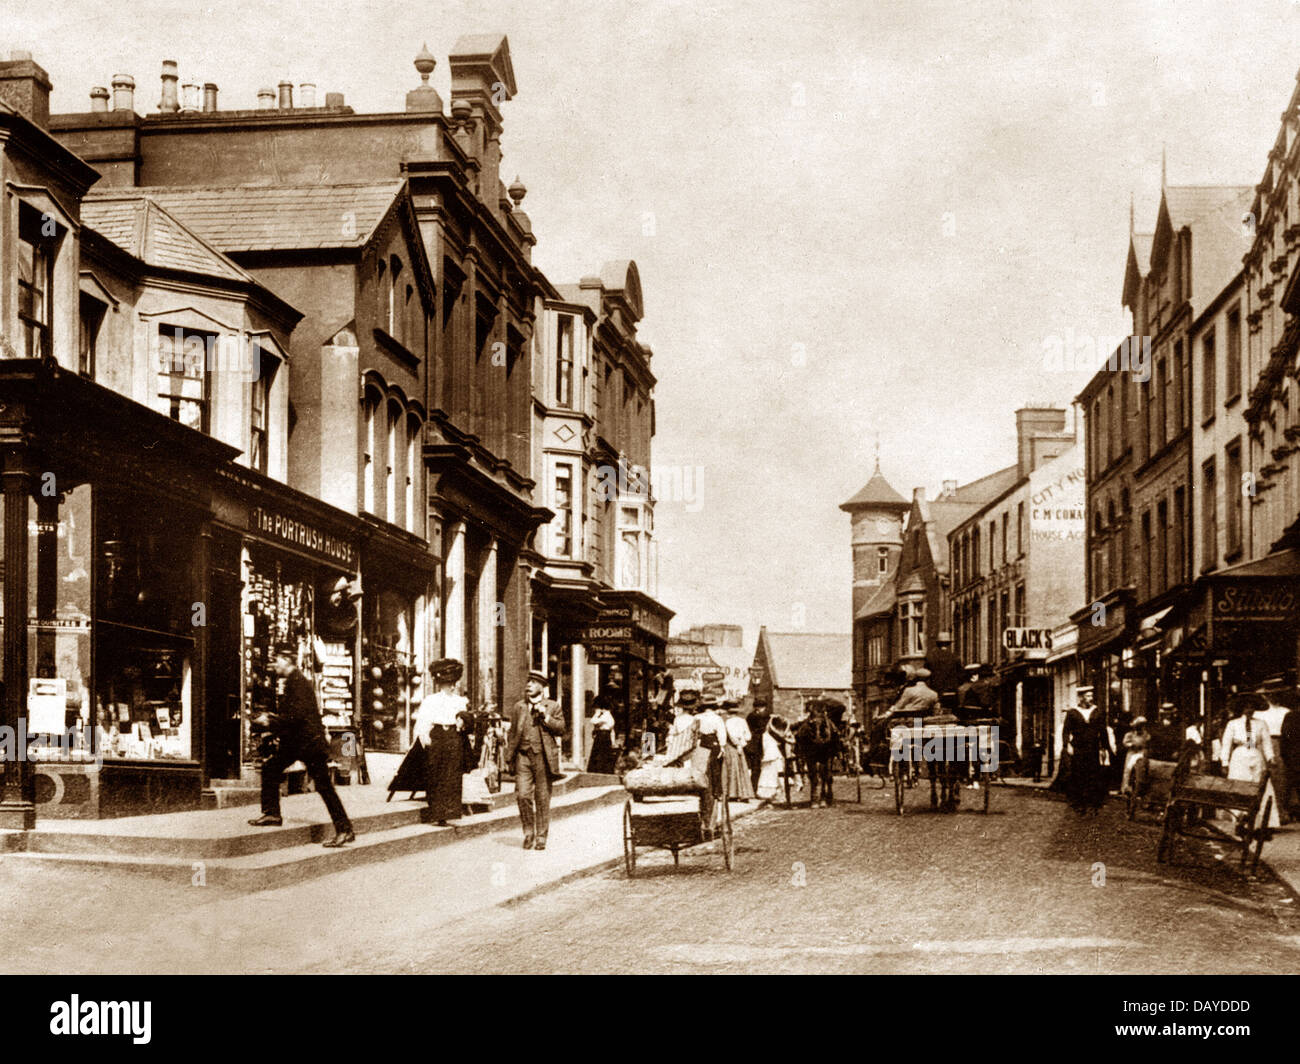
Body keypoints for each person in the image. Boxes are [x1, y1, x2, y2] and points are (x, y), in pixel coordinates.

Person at [249, 645, 355, 847]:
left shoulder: (297, 683)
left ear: (287, 661)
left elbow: (296, 717)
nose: (275, 664)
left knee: (324, 786)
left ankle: (345, 829)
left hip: (309, 744)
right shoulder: (293, 682)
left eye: (278, 660)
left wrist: (269, 722)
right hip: (298, 742)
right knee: (270, 768)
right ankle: (271, 814)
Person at [504, 671, 568, 850]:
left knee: (542, 798)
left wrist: (545, 717)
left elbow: (561, 729)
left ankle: (541, 837)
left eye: (533, 682)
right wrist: (509, 756)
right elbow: (513, 733)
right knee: (522, 795)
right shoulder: (519, 707)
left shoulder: (552, 706)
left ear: (541, 686)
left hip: (542, 757)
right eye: (528, 682)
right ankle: (528, 832)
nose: (529, 685)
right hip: (522, 756)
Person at [411, 658, 466, 826]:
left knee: (452, 775)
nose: (451, 686)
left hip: (453, 737)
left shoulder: (460, 701)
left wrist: (463, 723)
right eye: (448, 683)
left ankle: (450, 811)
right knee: (437, 774)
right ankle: (438, 812)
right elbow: (423, 721)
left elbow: (465, 719)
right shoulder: (431, 700)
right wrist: (424, 737)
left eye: (452, 682)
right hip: (437, 736)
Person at [1058, 685, 1112, 815]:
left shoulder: (1097, 712)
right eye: (1087, 696)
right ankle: (1079, 804)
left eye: (1091, 696)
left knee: (1093, 775)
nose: (1090, 698)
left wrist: (1104, 748)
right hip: (1078, 748)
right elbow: (1066, 731)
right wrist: (1067, 745)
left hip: (1093, 747)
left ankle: (1093, 804)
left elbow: (1103, 731)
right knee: (1078, 775)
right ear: (1081, 698)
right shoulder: (1072, 713)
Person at [723, 700, 756, 801]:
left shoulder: (728, 722)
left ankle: (733, 793)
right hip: (741, 746)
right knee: (742, 769)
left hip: (732, 747)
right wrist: (742, 743)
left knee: (732, 769)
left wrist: (737, 744)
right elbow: (748, 736)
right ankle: (744, 793)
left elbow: (731, 736)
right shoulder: (742, 721)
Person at [925, 632, 963, 710]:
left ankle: (918, 723)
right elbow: (960, 675)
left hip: (935, 691)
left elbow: (926, 674)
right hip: (952, 692)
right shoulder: (955, 657)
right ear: (949, 643)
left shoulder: (930, 657)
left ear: (937, 643)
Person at [757, 715, 791, 800]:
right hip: (772, 756)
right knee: (771, 774)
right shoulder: (768, 735)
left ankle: (774, 793)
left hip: (773, 756)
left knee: (773, 773)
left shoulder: (767, 735)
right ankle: (769, 794)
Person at [1119, 716, 1149, 796]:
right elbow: (1125, 743)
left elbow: (1147, 741)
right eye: (1139, 726)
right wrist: (1131, 744)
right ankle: (1125, 788)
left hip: (1141, 752)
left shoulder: (1145, 734)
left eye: (1142, 726)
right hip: (1132, 752)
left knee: (1141, 771)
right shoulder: (1130, 734)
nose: (1141, 728)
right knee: (1128, 769)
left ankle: (1140, 790)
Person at [745, 697, 771, 789]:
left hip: (754, 744)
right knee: (756, 768)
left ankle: (754, 787)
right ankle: (755, 787)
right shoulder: (764, 716)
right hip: (759, 744)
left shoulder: (751, 716)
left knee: (755, 768)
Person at [587, 703, 617, 774]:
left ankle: (600, 770)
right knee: (600, 753)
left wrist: (597, 714)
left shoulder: (606, 715)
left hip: (603, 735)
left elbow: (593, 721)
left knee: (601, 753)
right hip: (603, 735)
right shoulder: (605, 715)